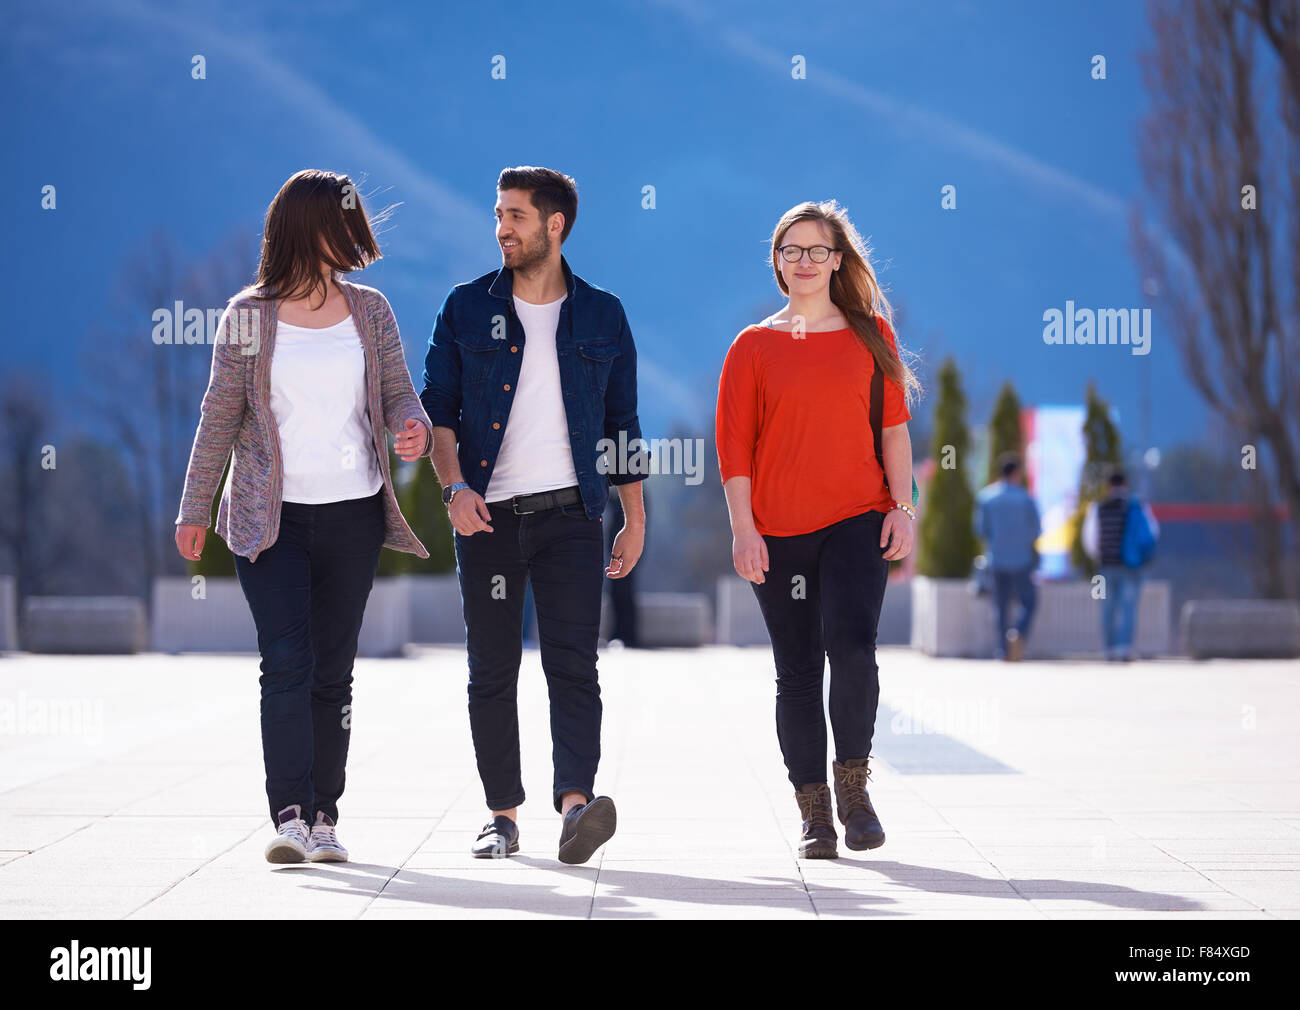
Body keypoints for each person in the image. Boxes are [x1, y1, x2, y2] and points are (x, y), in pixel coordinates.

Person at [175, 169, 434, 864]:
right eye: (340, 222)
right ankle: (288, 814)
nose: (353, 235)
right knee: (285, 660)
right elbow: (218, 418)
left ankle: (325, 817)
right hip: (269, 519)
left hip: (351, 514)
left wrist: (412, 427)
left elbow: (399, 394)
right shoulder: (248, 317)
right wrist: (195, 507)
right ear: (304, 228)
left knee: (334, 671)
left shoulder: (370, 311)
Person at [421, 166, 647, 863]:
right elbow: (440, 414)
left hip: (574, 519)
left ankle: (576, 807)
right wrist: (454, 490)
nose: (501, 229)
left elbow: (621, 424)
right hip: (489, 517)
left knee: (573, 664)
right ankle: (501, 815)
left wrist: (632, 518)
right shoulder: (465, 307)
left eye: (515, 216)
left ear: (556, 224)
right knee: (491, 668)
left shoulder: (603, 314)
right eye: (497, 215)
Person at [715, 200, 919, 859]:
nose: (804, 262)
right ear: (776, 262)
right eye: (791, 251)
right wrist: (745, 532)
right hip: (777, 533)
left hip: (859, 519)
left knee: (854, 651)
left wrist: (902, 507)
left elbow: (893, 429)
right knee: (797, 670)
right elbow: (734, 451)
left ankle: (855, 793)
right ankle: (814, 815)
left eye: (817, 251)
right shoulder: (753, 346)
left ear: (838, 260)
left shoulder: (872, 336)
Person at [1082, 467, 1159, 661]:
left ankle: (1110, 648)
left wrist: (1100, 556)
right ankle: (1124, 648)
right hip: (1131, 567)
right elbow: (1152, 533)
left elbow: (1090, 540)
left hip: (1105, 567)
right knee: (1129, 608)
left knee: (1106, 609)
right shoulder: (1137, 506)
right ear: (1125, 484)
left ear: (1108, 486)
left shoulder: (1098, 508)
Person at [975, 452, 1042, 661]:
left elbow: (980, 529)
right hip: (1022, 560)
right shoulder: (1026, 499)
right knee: (1029, 602)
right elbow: (1036, 531)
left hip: (996, 559)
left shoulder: (986, 497)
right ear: (1016, 473)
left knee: (1000, 605)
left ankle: (1002, 650)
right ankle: (1018, 632)